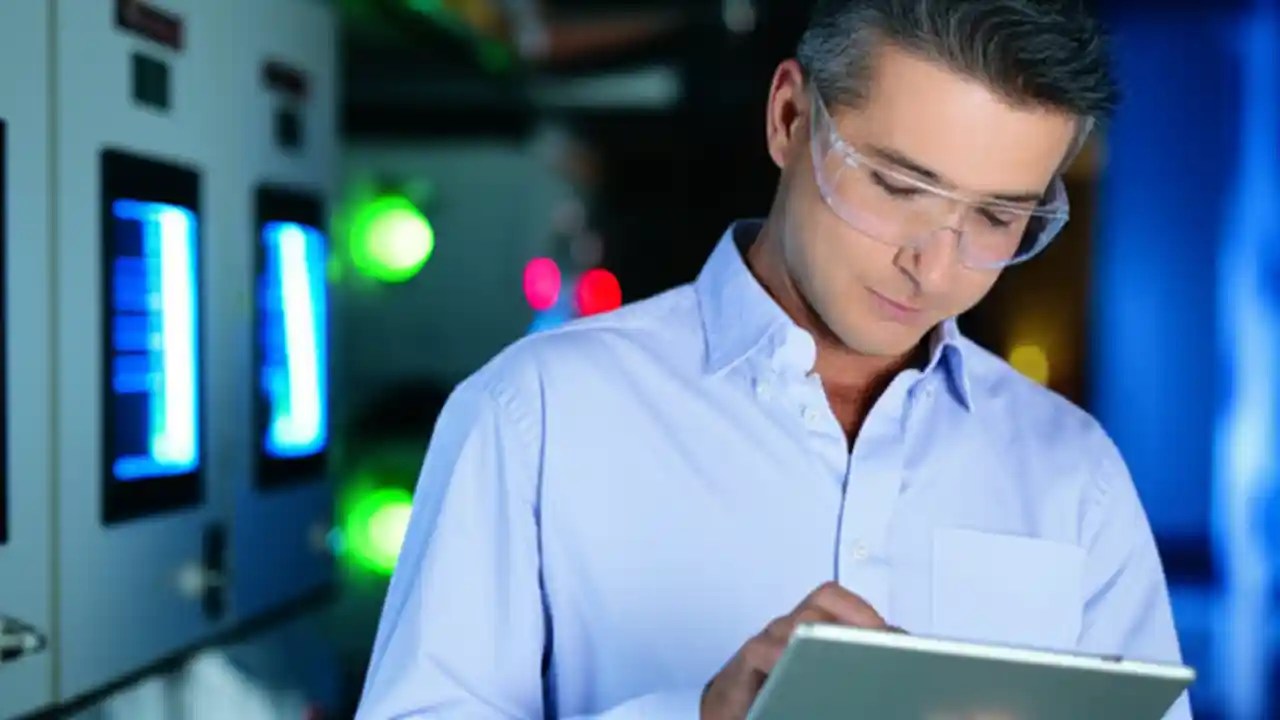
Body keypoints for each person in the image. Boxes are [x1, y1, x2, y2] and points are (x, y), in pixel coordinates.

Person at [356, 1, 1192, 718]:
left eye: (996, 219)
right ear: (790, 119)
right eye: (899, 188)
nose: (934, 267)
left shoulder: (1075, 473)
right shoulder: (535, 414)